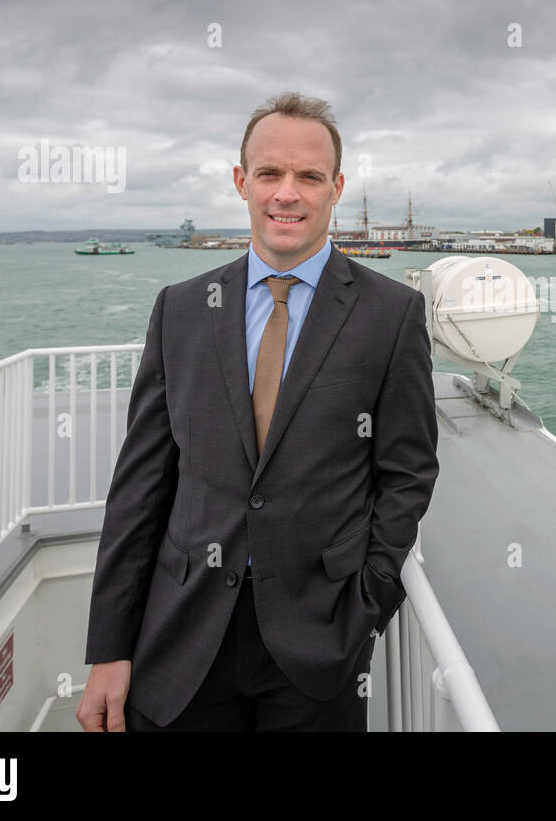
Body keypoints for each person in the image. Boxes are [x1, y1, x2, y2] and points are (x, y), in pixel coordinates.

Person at [75, 92, 439, 731]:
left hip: (318, 637)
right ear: (242, 182)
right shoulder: (182, 308)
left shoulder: (391, 316)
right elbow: (139, 487)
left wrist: (367, 602)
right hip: (181, 633)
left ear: (336, 189)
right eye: (270, 173)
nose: (287, 194)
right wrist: (110, 646)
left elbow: (407, 472)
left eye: (309, 177)